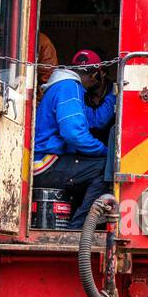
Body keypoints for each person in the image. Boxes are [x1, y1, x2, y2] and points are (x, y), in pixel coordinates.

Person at [32, 50, 117, 228]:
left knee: (95, 166)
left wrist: (114, 95)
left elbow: (95, 119)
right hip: (45, 164)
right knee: (105, 169)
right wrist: (107, 153)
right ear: (95, 75)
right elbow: (74, 135)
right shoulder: (70, 88)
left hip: (48, 161)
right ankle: (79, 228)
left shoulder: (63, 87)